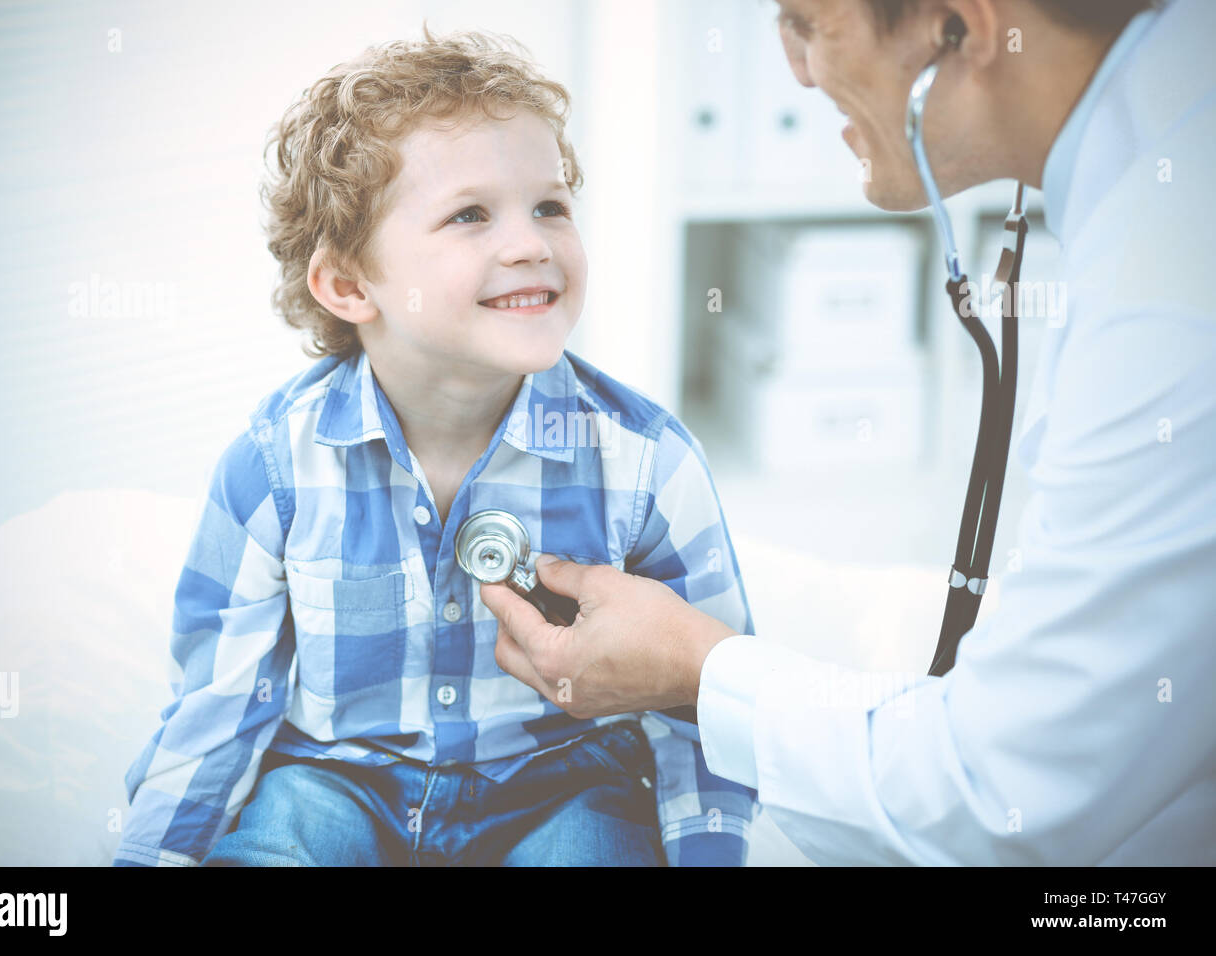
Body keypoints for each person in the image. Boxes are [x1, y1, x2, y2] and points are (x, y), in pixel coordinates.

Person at [481, 0, 1216, 864]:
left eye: (807, 24)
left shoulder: (1170, 301)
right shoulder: (1157, 161)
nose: (793, 69)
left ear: (962, 24)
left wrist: (698, 670)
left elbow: (1001, 795)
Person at [111, 26, 757, 867]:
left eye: (551, 206)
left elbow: (701, 698)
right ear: (348, 284)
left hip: (561, 783)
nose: (530, 242)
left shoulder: (644, 463)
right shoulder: (274, 466)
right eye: (470, 215)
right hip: (337, 782)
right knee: (280, 834)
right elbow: (220, 703)